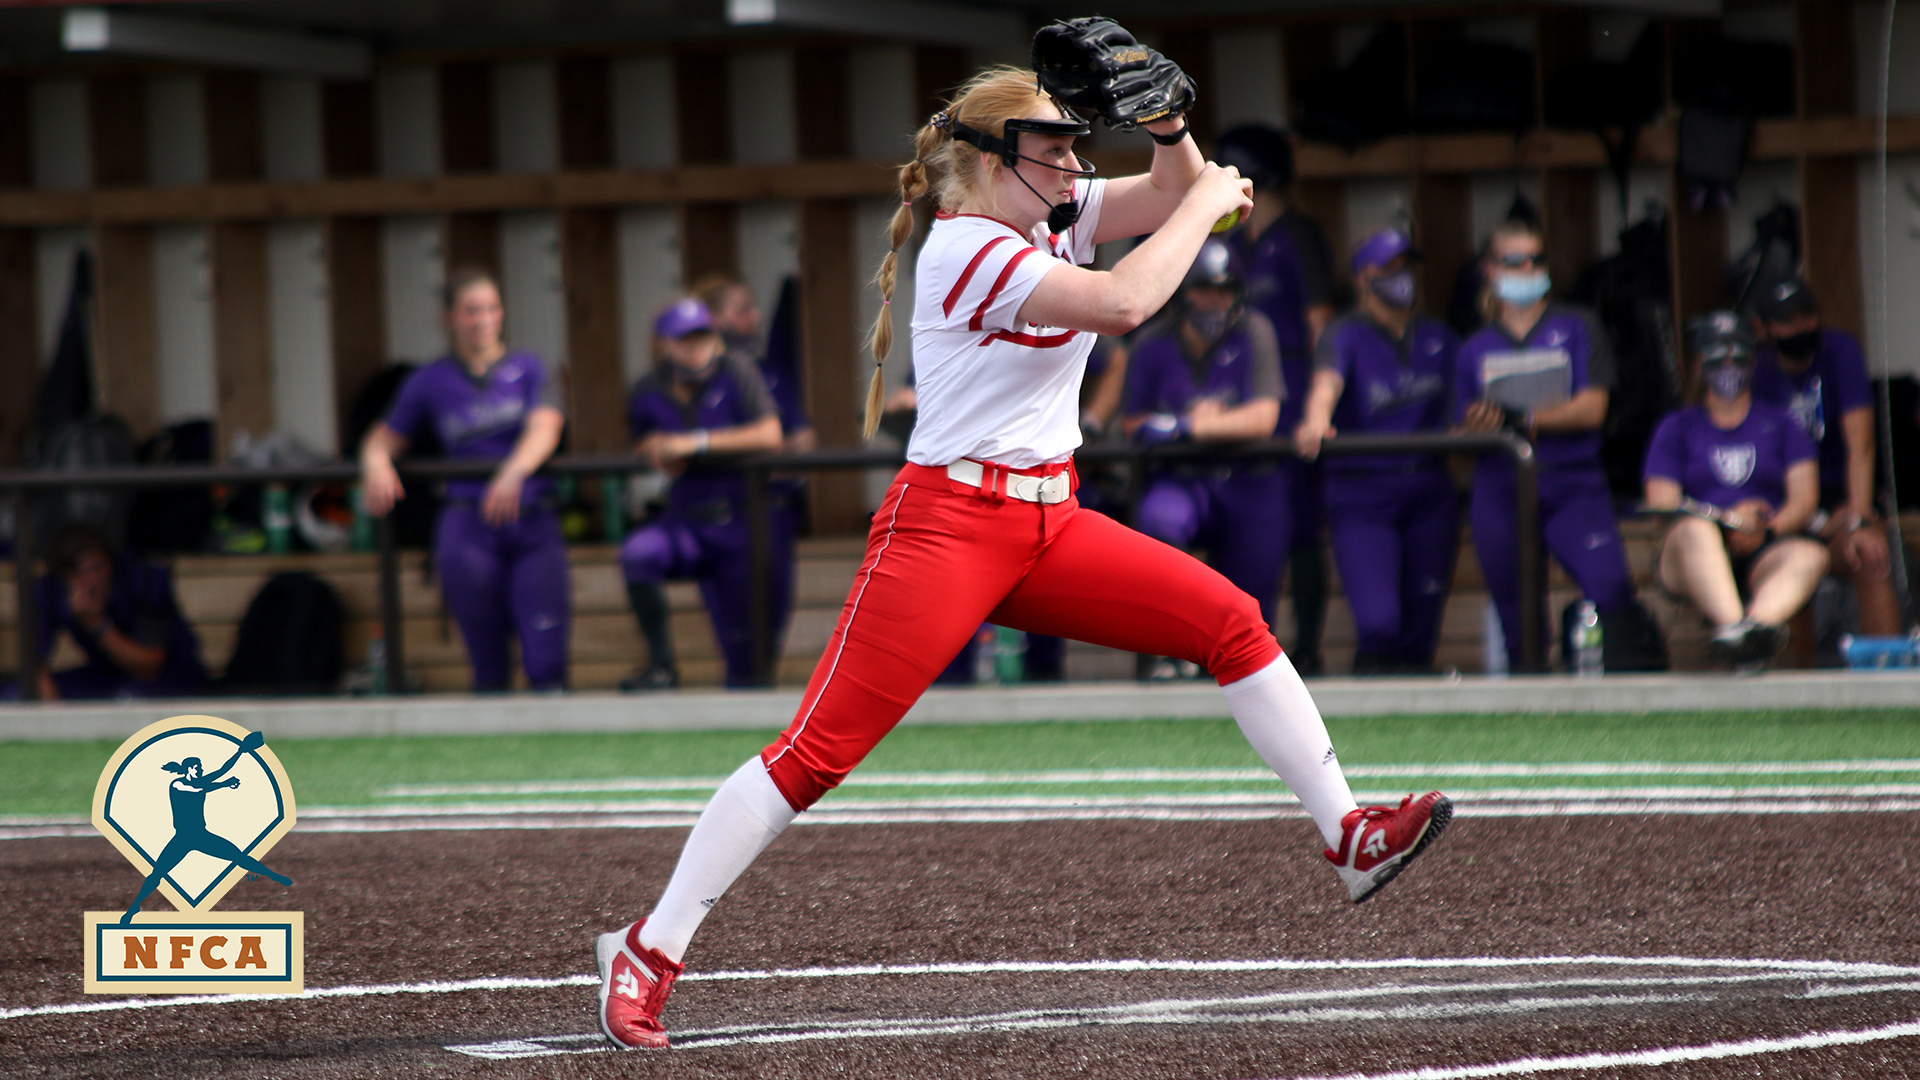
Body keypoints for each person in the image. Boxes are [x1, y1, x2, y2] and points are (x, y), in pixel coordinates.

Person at [592, 58, 1451, 1050]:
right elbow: (1129, 298)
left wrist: (1174, 134)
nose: (1074, 164)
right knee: (817, 753)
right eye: (1053, 147)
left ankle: (1348, 837)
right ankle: (648, 950)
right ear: (994, 158)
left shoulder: (1043, 207)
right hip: (946, 526)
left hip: (1050, 519)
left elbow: (1169, 192)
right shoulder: (965, 246)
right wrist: (1208, 199)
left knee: (1231, 621)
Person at [1454, 219, 1658, 672]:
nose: (1527, 269)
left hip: (1573, 481)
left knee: (1610, 586)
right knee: (1517, 615)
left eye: (1537, 259)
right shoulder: (1473, 348)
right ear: (1490, 270)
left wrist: (1521, 418)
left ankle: (1624, 689)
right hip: (1500, 485)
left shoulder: (1578, 326)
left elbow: (1592, 409)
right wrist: (1480, 426)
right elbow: (1459, 436)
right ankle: (1528, 713)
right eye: (1515, 260)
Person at [360, 266, 571, 692]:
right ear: (450, 318)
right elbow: (381, 440)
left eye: (492, 309)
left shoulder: (529, 367)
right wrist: (376, 461)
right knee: (488, 665)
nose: (483, 320)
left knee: (546, 660)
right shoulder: (428, 381)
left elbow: (546, 427)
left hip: (531, 518)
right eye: (472, 311)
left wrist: (513, 471)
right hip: (468, 526)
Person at [1295, 227, 1461, 675]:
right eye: (1388, 268)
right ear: (1363, 278)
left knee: (1421, 626)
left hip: (1428, 489)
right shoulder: (1344, 333)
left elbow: (1464, 406)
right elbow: (1326, 383)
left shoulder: (1438, 335)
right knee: (1379, 622)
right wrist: (1316, 418)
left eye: (1406, 267)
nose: (1401, 276)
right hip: (1363, 491)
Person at [1121, 237, 1286, 680]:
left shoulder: (1255, 330)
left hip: (1247, 478)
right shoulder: (1152, 342)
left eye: (1223, 290)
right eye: (1202, 290)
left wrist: (1189, 425)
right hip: (1182, 477)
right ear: (1182, 292)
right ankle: (1174, 652)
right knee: (1159, 521)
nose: (1213, 301)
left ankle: (1247, 675)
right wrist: (1177, 421)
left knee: (1252, 605)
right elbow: (1131, 424)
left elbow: (1264, 416)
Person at [1217, 124, 1338, 673]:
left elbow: (1320, 326)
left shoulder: (1296, 234)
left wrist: (1317, 402)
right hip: (1253, 396)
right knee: (1258, 519)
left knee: (1302, 523)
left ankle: (1307, 646)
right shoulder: (1237, 241)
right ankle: (1250, 645)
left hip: (1293, 397)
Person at [618, 298, 787, 690]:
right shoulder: (648, 389)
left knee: (747, 654)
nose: (695, 347)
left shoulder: (736, 370)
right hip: (684, 514)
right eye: (684, 339)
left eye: (703, 337)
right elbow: (639, 449)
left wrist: (693, 443)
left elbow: (770, 434)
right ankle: (661, 665)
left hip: (742, 519)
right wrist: (655, 452)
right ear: (665, 343)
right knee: (639, 553)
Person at [1643, 313, 1828, 667]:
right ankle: (1737, 631)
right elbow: (1661, 502)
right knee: (1696, 531)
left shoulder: (1782, 423)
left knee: (1812, 555)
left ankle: (1752, 631)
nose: (1728, 364)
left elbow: (1804, 500)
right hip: (1691, 551)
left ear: (1755, 361)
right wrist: (1727, 520)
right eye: (1717, 355)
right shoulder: (1677, 426)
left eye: (1737, 355)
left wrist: (1764, 529)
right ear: (1699, 364)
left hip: (1763, 543)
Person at [1750, 277, 1902, 640]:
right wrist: (1812, 520)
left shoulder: (1840, 350)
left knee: (1869, 554)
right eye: (1788, 320)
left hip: (1843, 497)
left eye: (1807, 315)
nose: (1801, 327)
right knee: (1787, 571)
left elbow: (1861, 445)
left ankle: (1887, 675)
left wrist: (1858, 517)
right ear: (1765, 328)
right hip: (1786, 508)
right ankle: (1794, 685)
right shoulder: (1756, 369)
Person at [23, 524, 207, 700]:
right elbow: (35, 663)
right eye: (79, 573)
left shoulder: (143, 580)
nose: (92, 580)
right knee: (16, 693)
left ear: (110, 563)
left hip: (174, 679)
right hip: (107, 677)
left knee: (128, 698)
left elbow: (149, 668)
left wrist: (97, 625)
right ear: (64, 577)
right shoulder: (50, 590)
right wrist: (54, 718)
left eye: (97, 568)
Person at [121, 739, 291, 924]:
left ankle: (274, 875)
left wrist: (241, 751)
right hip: (183, 838)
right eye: (198, 767)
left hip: (201, 836)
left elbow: (221, 770)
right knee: (157, 874)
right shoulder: (177, 784)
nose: (201, 770)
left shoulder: (200, 781)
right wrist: (225, 784)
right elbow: (199, 788)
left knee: (239, 857)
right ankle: (134, 907)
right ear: (189, 769)